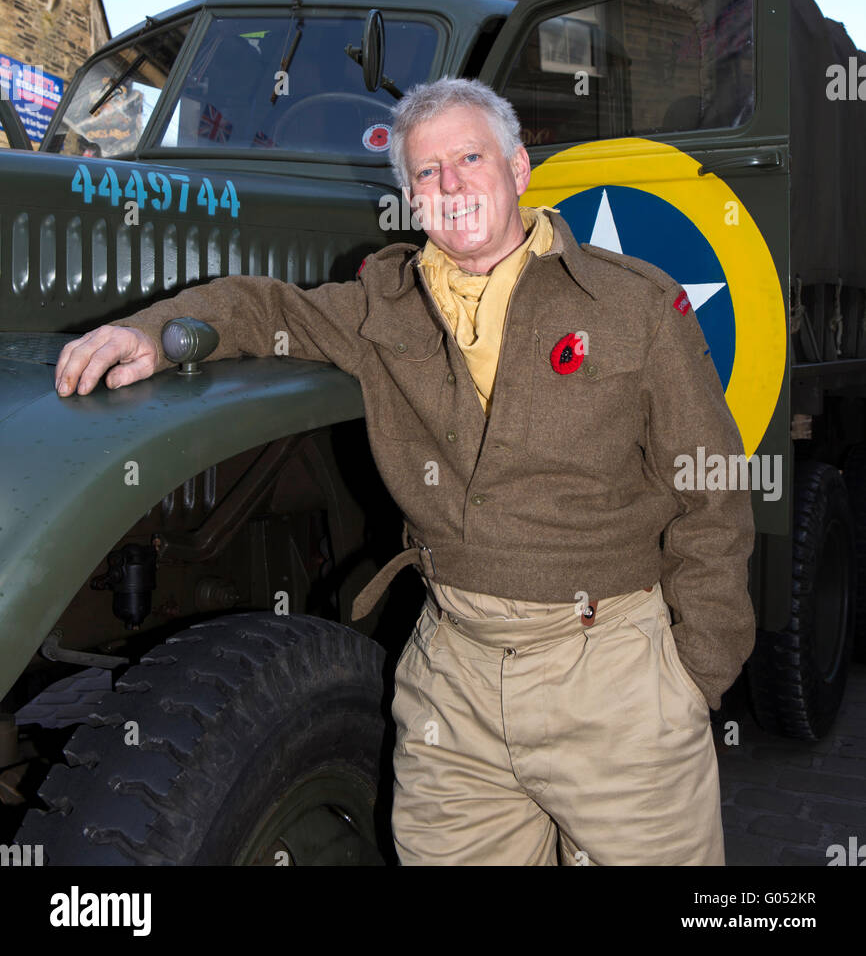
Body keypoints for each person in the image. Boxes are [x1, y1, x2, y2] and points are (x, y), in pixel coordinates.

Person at [54, 76, 755, 867]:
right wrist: (150, 331)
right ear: (410, 197)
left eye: (468, 157)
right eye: (426, 172)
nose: (449, 184)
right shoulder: (384, 305)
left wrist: (697, 673)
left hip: (615, 675)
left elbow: (714, 490)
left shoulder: (632, 306)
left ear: (519, 168)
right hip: (451, 679)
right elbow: (267, 308)